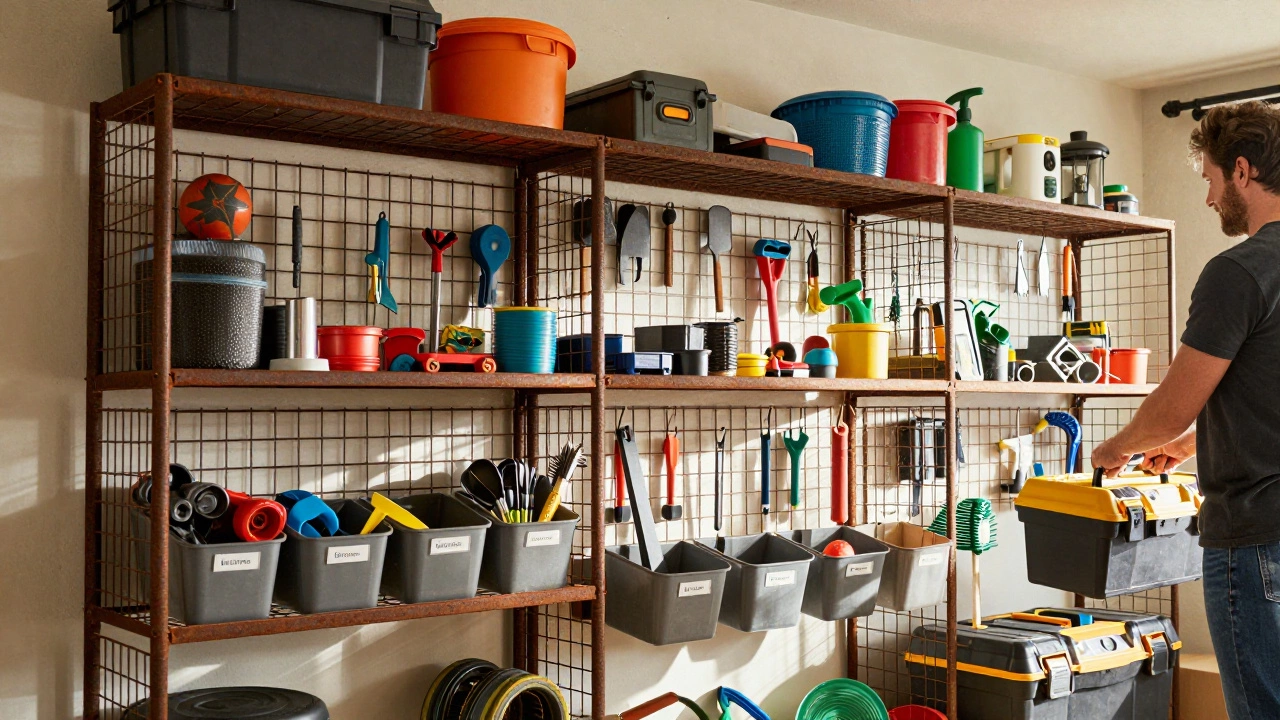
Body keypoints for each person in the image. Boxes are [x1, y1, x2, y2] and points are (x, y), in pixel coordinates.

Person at [1091, 100, 1280, 719]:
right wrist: (1195, 442)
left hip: (1258, 541)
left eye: (1211, 179)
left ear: (1243, 171)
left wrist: (1116, 447)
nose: (1209, 198)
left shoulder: (1240, 272)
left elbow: (1169, 409)